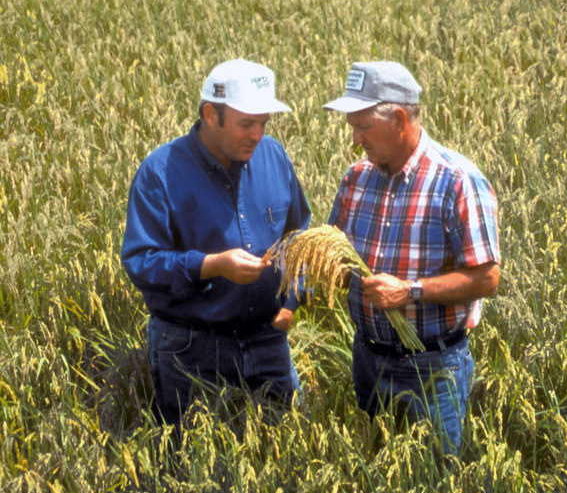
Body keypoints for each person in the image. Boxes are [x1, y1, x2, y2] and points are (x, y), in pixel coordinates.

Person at [121, 58, 311, 426]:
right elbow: (141, 261)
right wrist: (211, 265)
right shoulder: (159, 173)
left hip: (267, 340)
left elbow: (299, 235)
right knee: (191, 463)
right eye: (246, 124)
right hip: (191, 346)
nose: (257, 135)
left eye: (263, 123)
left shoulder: (274, 156)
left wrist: (292, 300)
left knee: (283, 453)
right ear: (211, 114)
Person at [323, 60, 500, 452]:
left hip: (432, 371)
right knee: (375, 473)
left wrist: (409, 291)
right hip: (368, 360)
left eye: (363, 127)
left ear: (400, 119)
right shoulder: (356, 178)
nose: (355, 139)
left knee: (434, 483)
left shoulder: (457, 181)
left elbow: (487, 277)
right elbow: (335, 253)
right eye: (353, 127)